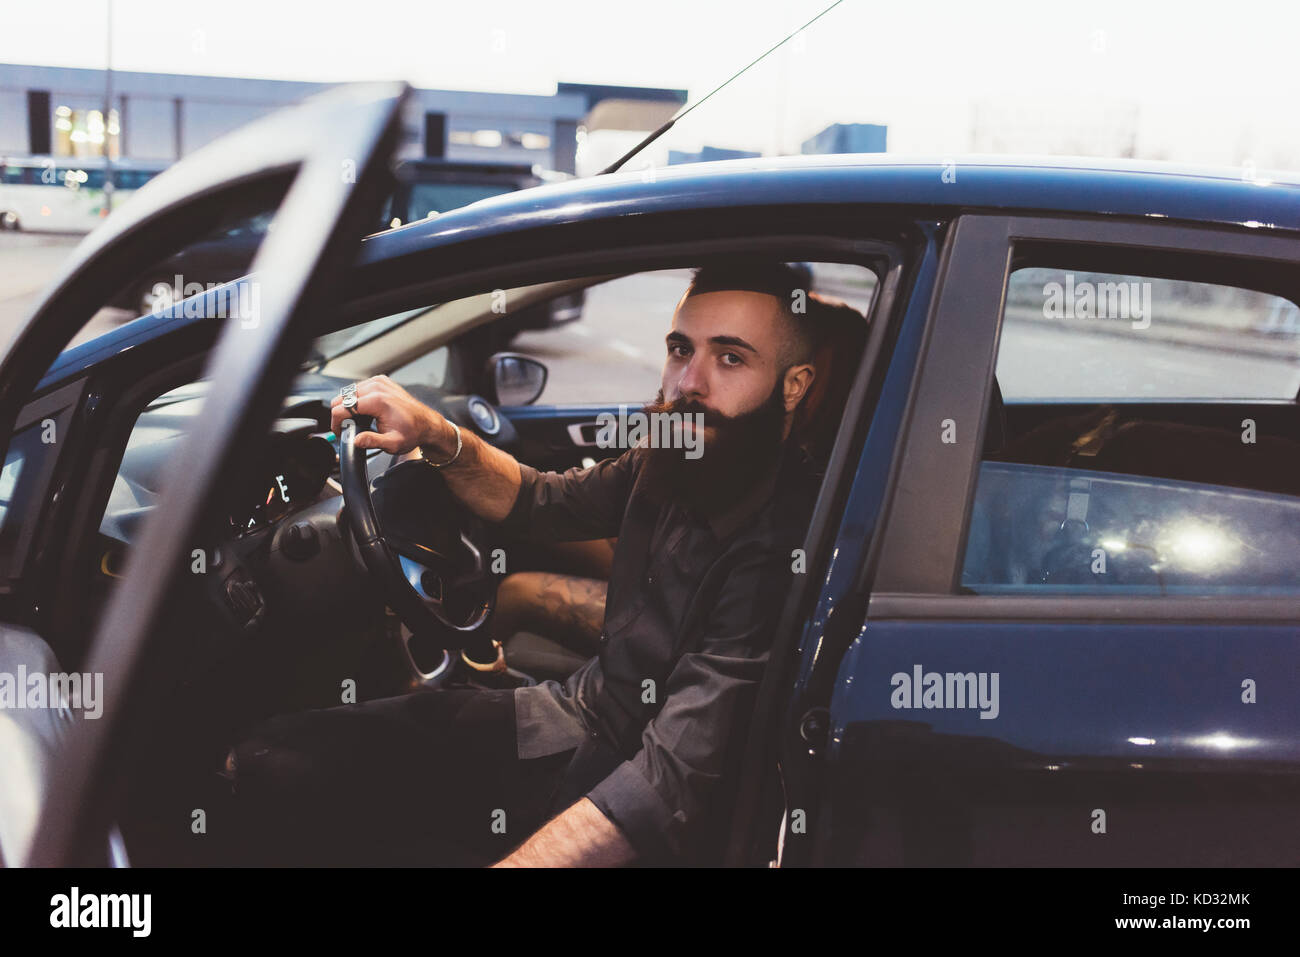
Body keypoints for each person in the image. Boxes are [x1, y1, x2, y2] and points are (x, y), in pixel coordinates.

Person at [219, 261, 852, 866]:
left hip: (625, 782)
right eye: (682, 349)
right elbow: (542, 501)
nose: (690, 382)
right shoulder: (674, 448)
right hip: (578, 716)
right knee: (271, 756)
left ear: (794, 385)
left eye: (731, 357)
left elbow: (669, 783)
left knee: (301, 783)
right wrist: (438, 435)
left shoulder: (781, 542)